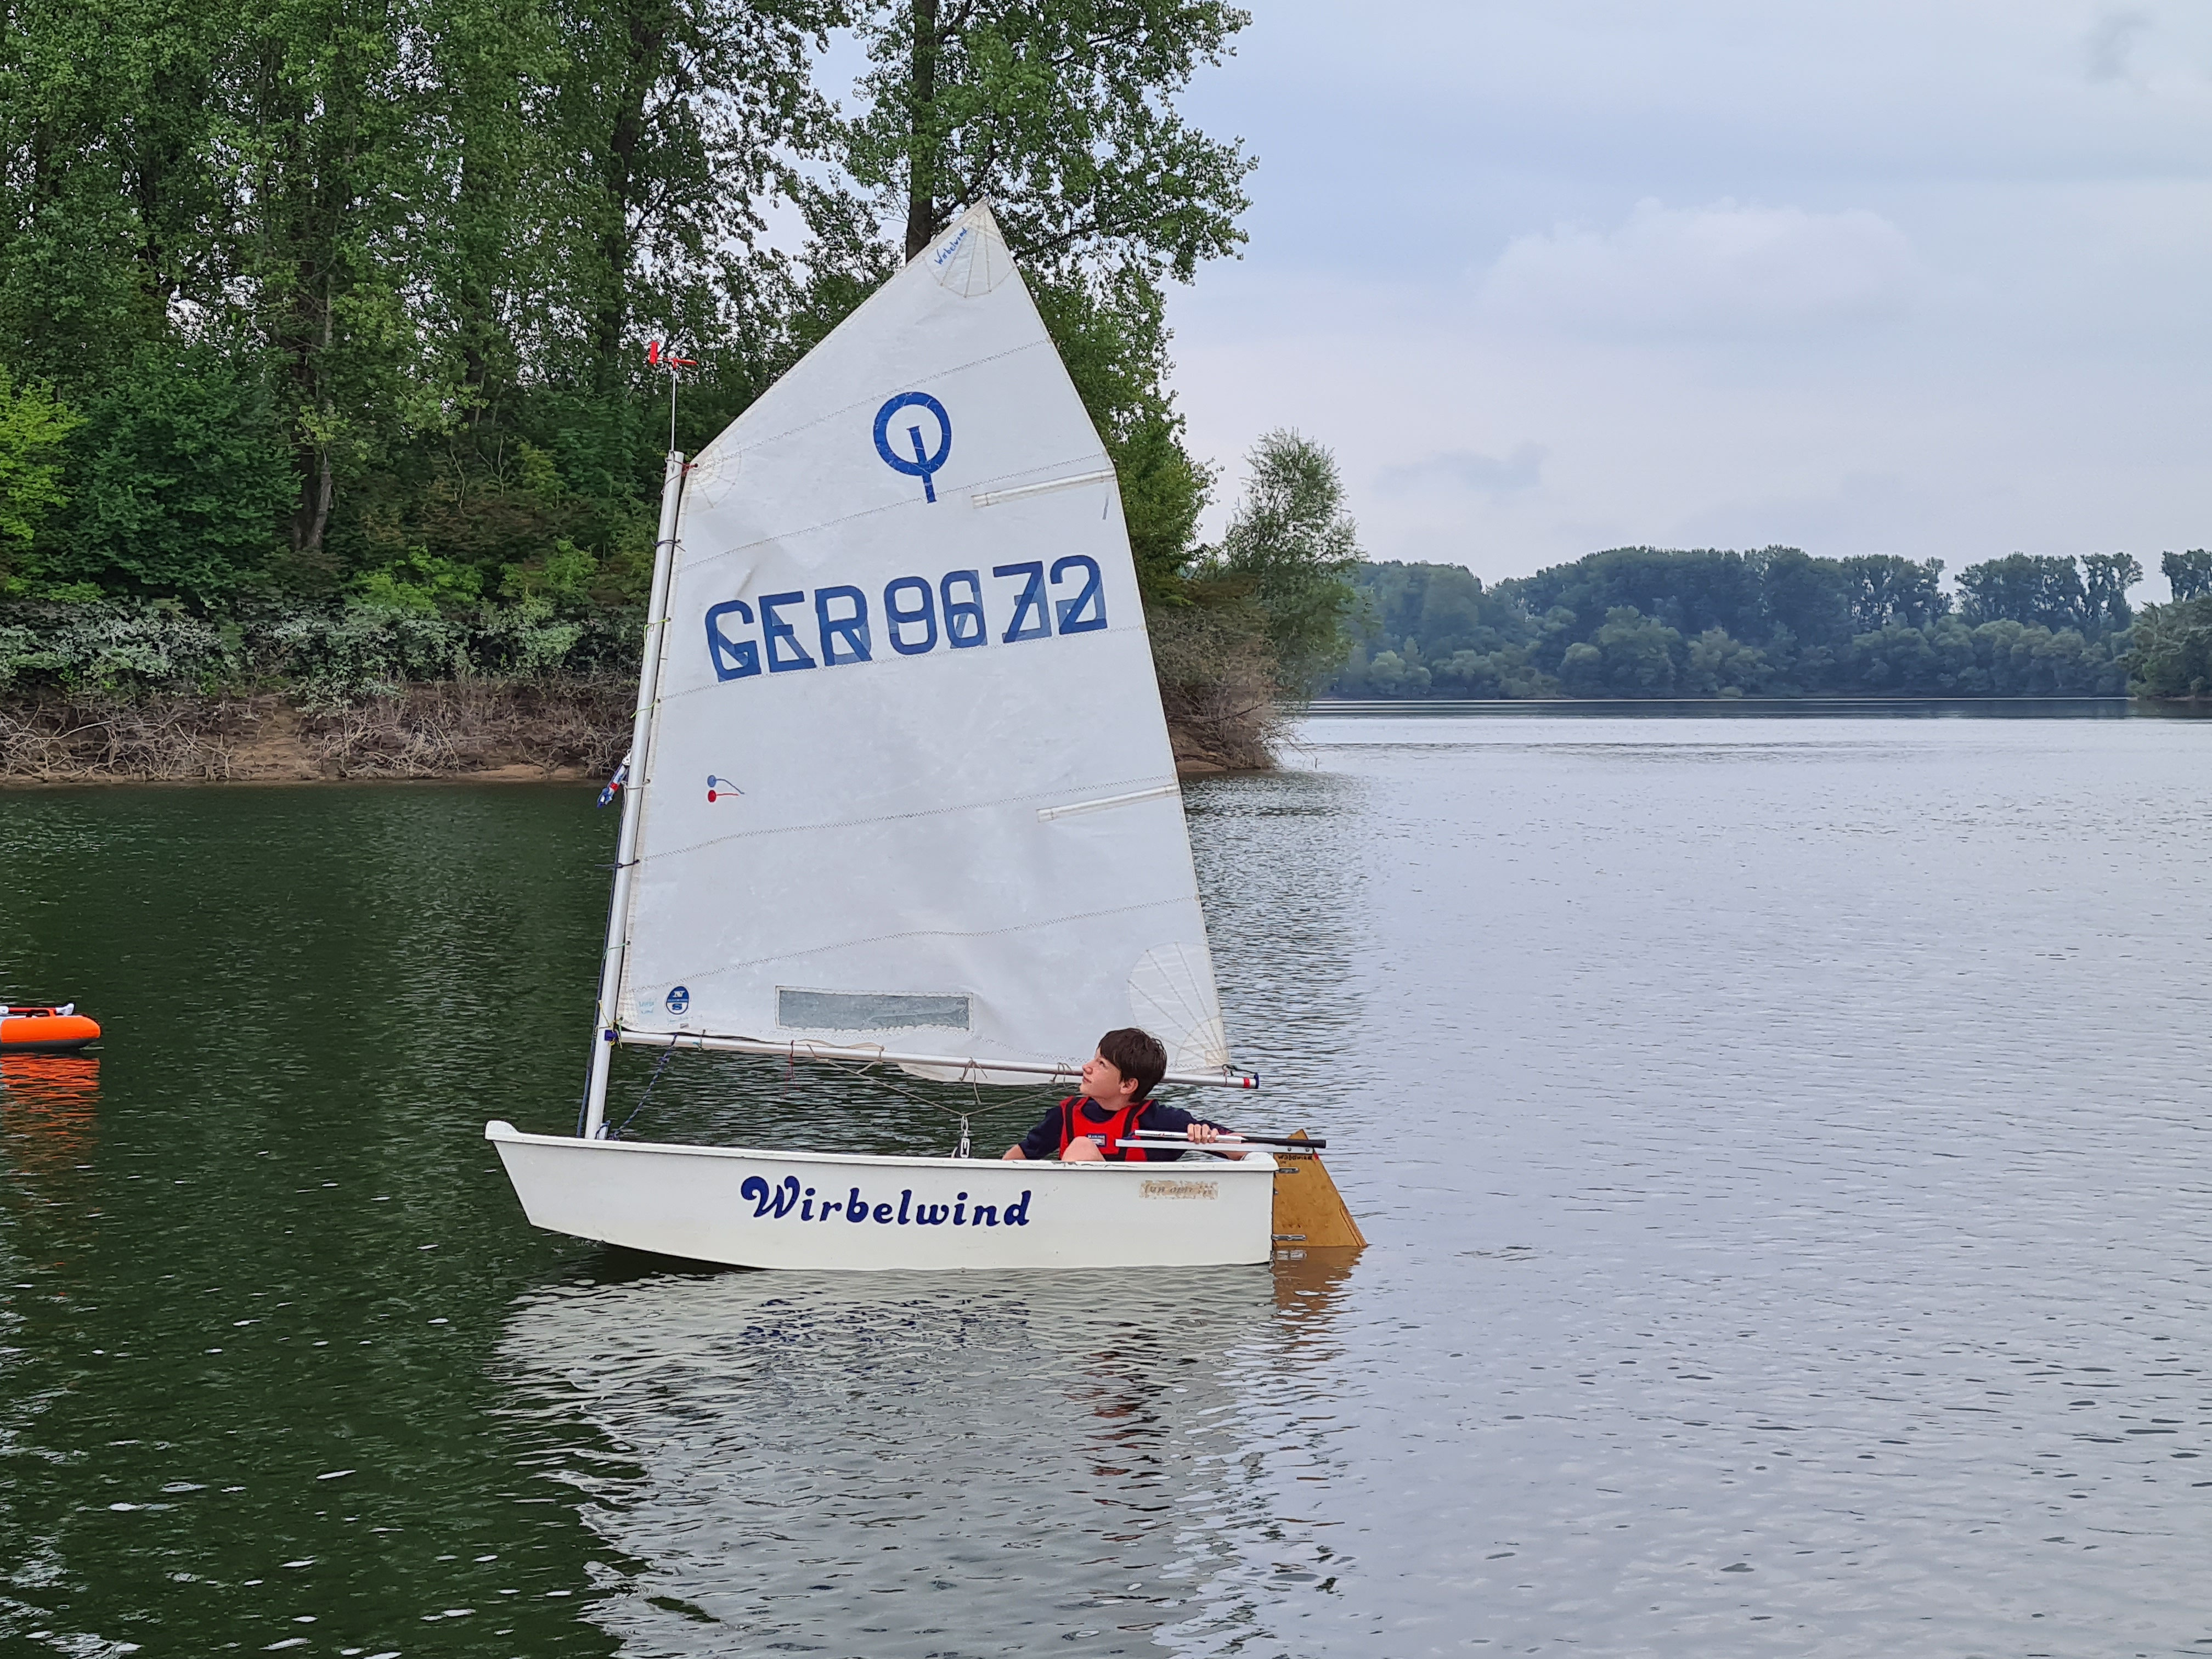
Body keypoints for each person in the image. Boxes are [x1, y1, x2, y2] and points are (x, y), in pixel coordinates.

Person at [1003, 1026, 1246, 1162]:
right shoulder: (1065, 1115)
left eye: (1101, 1064)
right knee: (1081, 1146)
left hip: (1134, 1217)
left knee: (1081, 1147)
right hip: (1077, 1217)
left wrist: (1206, 1136)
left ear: (1128, 1085)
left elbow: (1243, 1149)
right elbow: (1017, 1160)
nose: (1087, 1067)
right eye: (1094, 1059)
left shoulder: (1162, 1121)